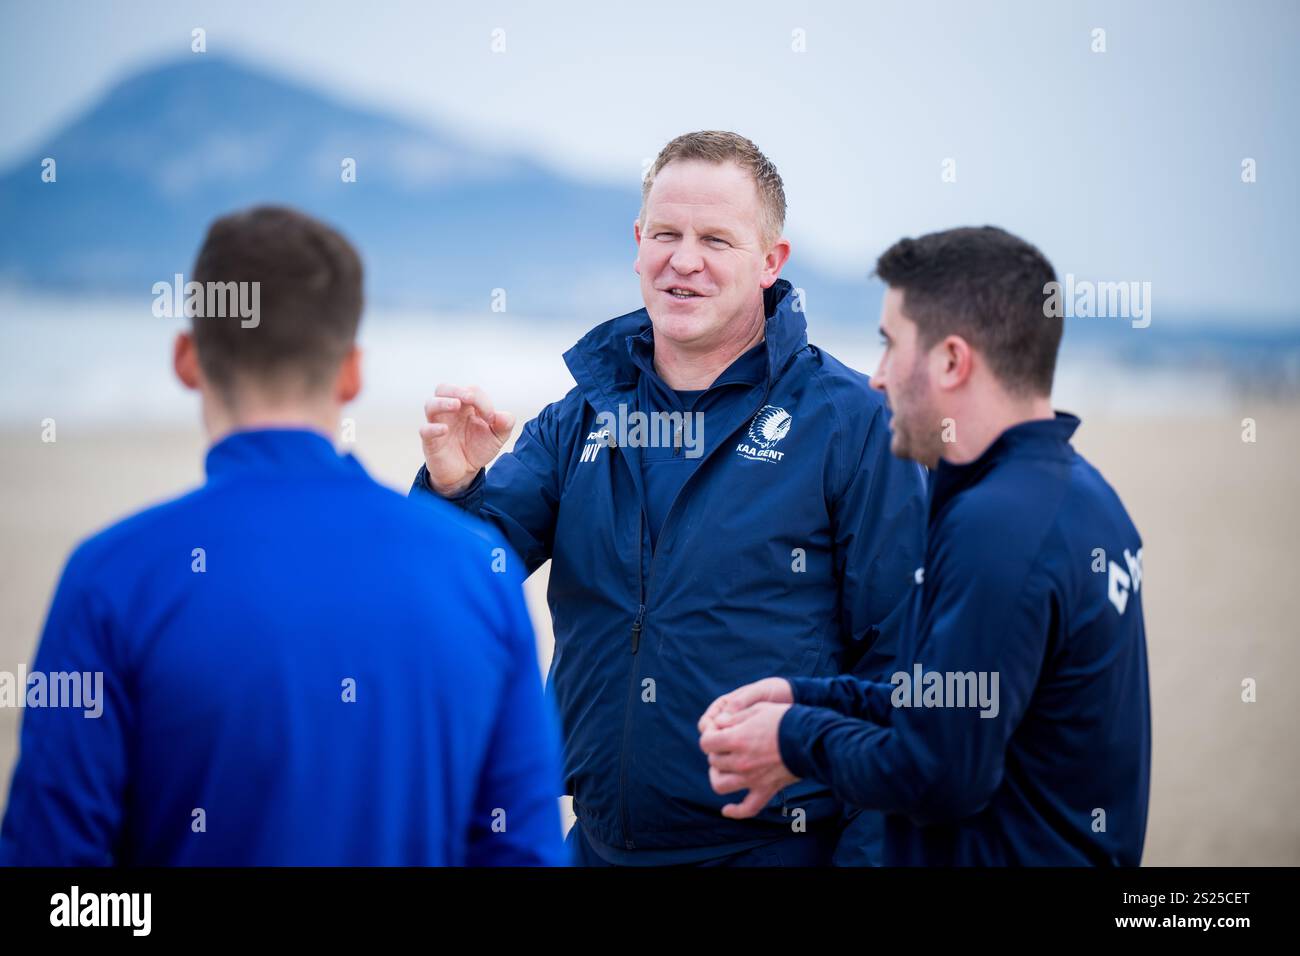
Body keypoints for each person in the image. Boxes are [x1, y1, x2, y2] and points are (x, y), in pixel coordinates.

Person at [412, 131, 927, 866]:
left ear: (771, 262)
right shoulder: (584, 415)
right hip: (596, 843)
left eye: (717, 239)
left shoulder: (849, 422)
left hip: (775, 849)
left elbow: (901, 668)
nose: (684, 260)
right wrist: (454, 490)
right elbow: (456, 587)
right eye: (666, 233)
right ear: (637, 242)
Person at [0, 206, 566, 866]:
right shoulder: (478, 576)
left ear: (186, 359)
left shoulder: (113, 578)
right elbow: (521, 852)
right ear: (353, 372)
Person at [700, 225, 1151, 866]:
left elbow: (940, 774)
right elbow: (961, 701)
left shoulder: (998, 529)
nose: (878, 378)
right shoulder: (1082, 495)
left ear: (950, 360)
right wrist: (813, 697)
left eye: (891, 346)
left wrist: (794, 739)